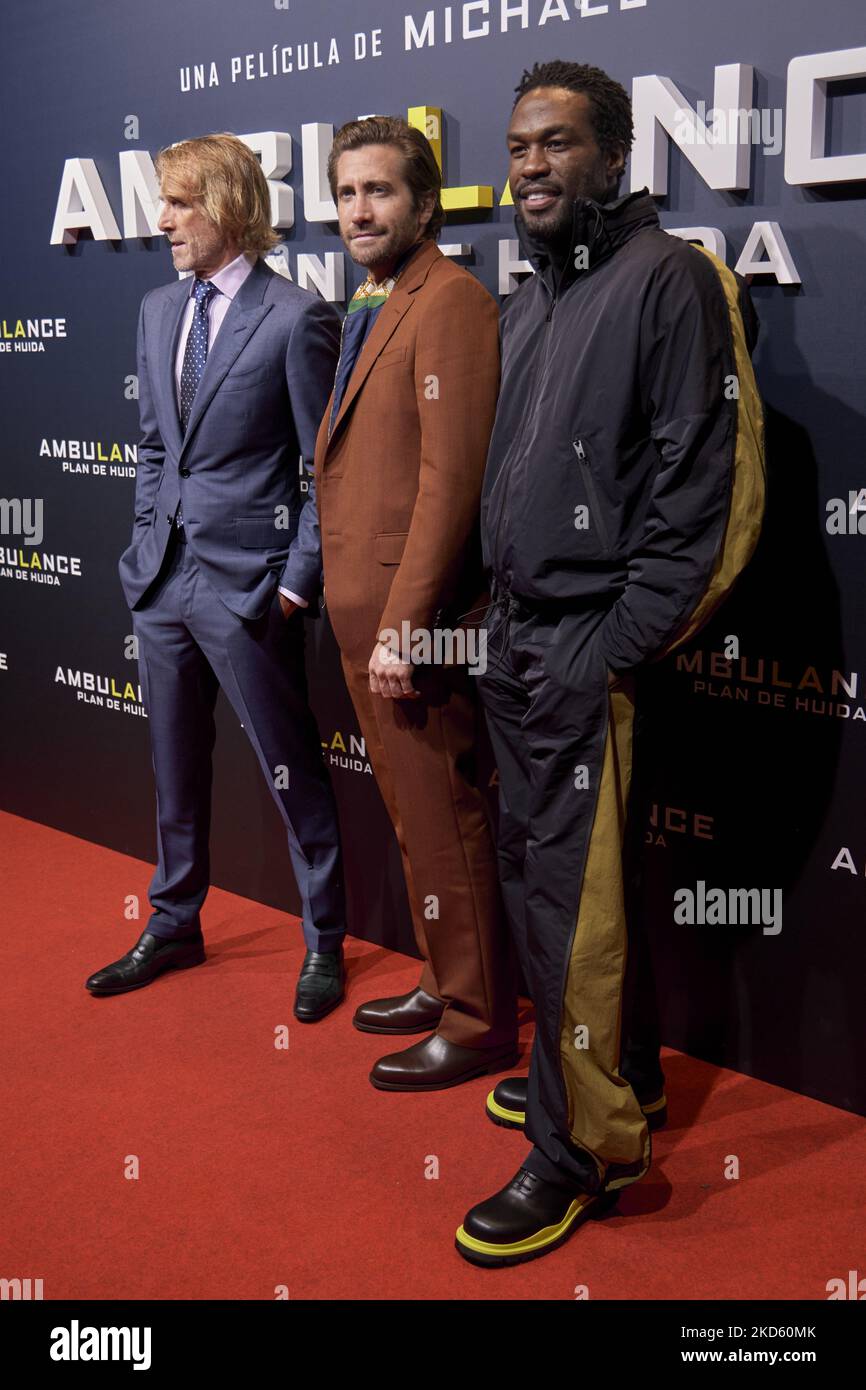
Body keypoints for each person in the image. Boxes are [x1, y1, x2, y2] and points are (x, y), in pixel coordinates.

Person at [456, 62, 765, 1265]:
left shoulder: (671, 281)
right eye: (518, 145)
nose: (529, 164)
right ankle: (605, 1076)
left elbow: (711, 501)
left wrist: (611, 645)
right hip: (517, 644)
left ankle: (582, 1153)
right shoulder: (528, 297)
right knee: (550, 892)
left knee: (574, 916)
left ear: (616, 157)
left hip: (589, 657)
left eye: (556, 144)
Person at [86, 133, 348, 1023]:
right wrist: (145, 541)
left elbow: (324, 469)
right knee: (173, 764)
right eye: (163, 203)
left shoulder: (294, 317)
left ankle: (324, 939)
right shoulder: (160, 309)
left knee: (290, 768)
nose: (162, 222)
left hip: (249, 587)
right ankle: (175, 920)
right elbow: (157, 446)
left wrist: (293, 581)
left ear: (230, 206)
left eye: (180, 204)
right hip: (161, 581)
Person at [313, 116, 517, 1089]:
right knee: (411, 817)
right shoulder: (376, 300)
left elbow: (451, 483)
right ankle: (444, 979)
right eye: (346, 192)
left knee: (446, 817)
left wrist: (406, 627)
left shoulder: (451, 303)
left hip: (413, 626)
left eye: (379, 192)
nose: (359, 210)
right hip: (360, 613)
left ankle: (478, 1019)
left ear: (423, 204)